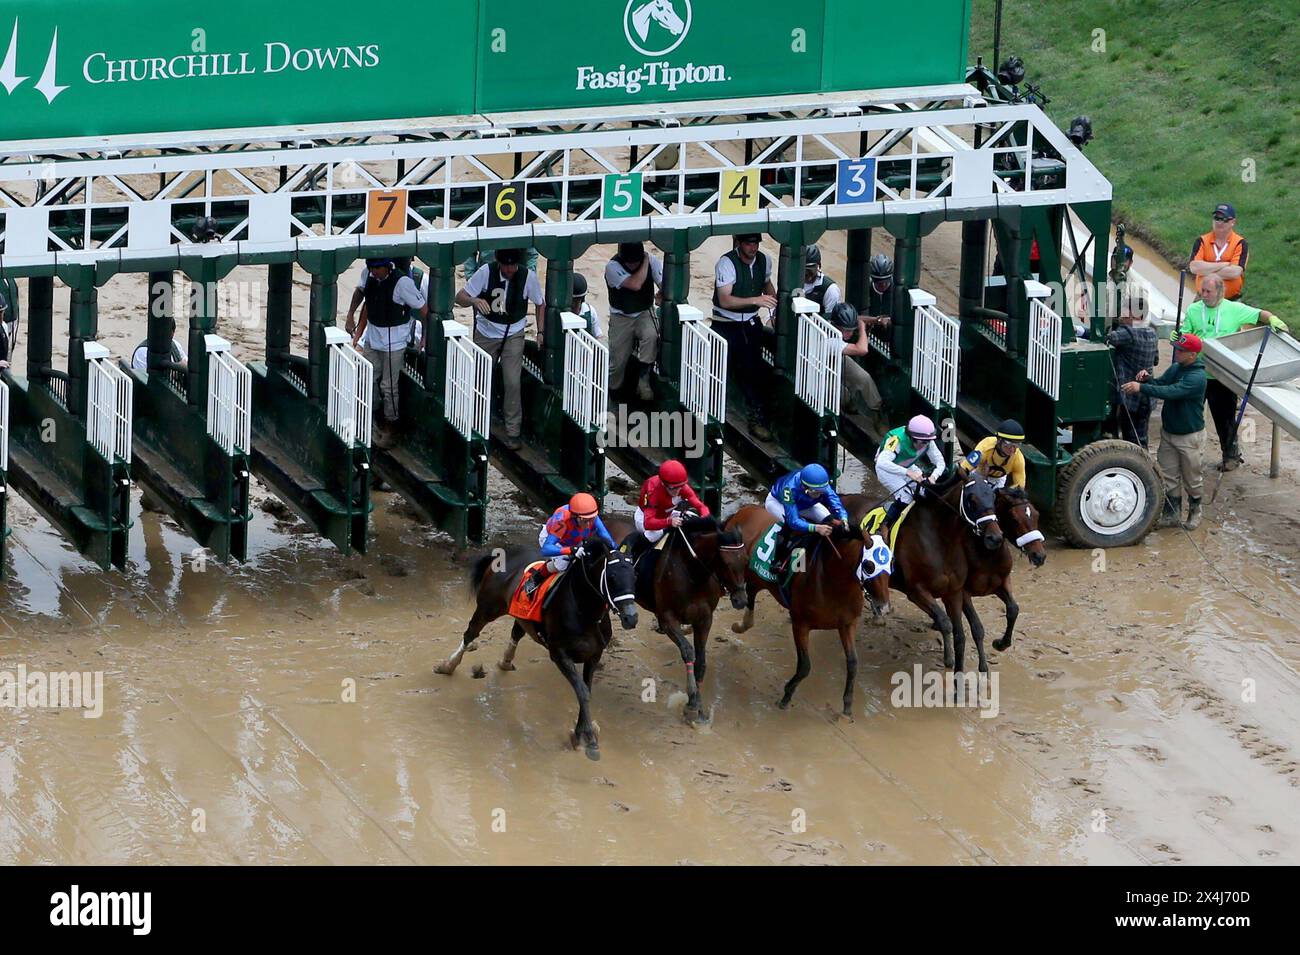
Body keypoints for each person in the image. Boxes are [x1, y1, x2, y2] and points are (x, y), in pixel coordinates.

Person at [1181, 273, 1286, 470]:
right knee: (1188, 416)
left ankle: (1230, 456)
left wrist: (1272, 319)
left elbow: (1259, 314)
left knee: (1225, 419)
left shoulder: (1235, 309)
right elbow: (1185, 335)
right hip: (1197, 373)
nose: (1203, 295)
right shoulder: (1194, 310)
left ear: (1220, 292)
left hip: (1223, 376)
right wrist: (1178, 338)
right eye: (1201, 290)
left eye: (1208, 291)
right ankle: (1187, 456)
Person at [456, 248, 545, 451]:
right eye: (506, 265)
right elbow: (459, 297)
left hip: (513, 332)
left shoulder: (527, 276)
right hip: (487, 333)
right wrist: (475, 300)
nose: (510, 269)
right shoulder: (485, 272)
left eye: (513, 265)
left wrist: (540, 331)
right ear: (499, 263)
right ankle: (476, 424)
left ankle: (513, 431)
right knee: (480, 378)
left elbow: (541, 303)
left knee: (512, 381)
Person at [1122, 332, 1208, 530]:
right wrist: (1147, 379)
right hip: (1169, 432)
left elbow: (1172, 392)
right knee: (1168, 475)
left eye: (1181, 350)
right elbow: (1161, 384)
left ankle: (1195, 511)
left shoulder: (1197, 378)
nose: (1176, 352)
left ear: (1193, 355)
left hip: (1189, 436)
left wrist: (1141, 388)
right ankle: (1172, 513)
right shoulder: (1177, 368)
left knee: (1192, 477)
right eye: (1176, 348)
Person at [713, 234, 778, 440]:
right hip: (725, 324)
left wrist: (773, 300)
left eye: (756, 243)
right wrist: (756, 300)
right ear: (739, 244)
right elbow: (725, 300)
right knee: (719, 368)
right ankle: (714, 411)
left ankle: (755, 417)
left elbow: (767, 284)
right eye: (749, 243)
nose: (753, 247)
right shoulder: (726, 263)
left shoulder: (764, 260)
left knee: (754, 371)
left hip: (751, 323)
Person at [351, 258, 429, 430]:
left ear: (387, 266)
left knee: (388, 386)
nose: (373, 272)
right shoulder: (368, 275)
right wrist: (351, 318)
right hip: (372, 339)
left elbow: (424, 311)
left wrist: (424, 336)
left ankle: (390, 424)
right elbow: (364, 299)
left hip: (394, 344)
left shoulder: (403, 283)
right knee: (366, 379)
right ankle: (371, 416)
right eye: (371, 267)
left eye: (377, 268)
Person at [524, 492, 618, 594]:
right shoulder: (561, 521)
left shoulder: (590, 515)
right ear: (574, 516)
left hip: (575, 541)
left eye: (591, 519)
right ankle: (537, 576)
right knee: (562, 564)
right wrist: (570, 550)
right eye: (584, 520)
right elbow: (546, 549)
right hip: (554, 540)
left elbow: (605, 536)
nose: (589, 524)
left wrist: (616, 550)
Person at [604, 241, 662, 401]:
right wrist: (644, 261)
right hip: (620, 317)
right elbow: (635, 284)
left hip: (644, 311)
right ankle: (613, 394)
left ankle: (644, 381)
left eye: (634, 262)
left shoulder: (654, 261)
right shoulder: (612, 267)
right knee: (617, 360)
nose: (631, 266)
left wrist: (661, 295)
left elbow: (665, 284)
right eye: (628, 262)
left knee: (651, 336)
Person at [765, 463, 848, 572]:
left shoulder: (821, 486)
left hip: (806, 504)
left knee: (829, 519)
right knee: (793, 528)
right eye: (816, 492)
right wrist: (816, 528)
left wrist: (844, 519)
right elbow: (793, 521)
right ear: (804, 486)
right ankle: (778, 561)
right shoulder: (789, 488)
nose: (820, 495)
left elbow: (836, 503)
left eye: (822, 491)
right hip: (778, 503)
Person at [1105, 292, 1159, 446]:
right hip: (1147, 395)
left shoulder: (1129, 333)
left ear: (1137, 316)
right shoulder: (1152, 333)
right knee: (1141, 439)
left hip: (1130, 398)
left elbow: (1105, 338)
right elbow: (1155, 360)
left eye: (1126, 311)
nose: (1122, 315)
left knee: (1131, 440)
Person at [875, 414, 946, 528]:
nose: (925, 445)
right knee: (906, 496)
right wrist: (909, 473)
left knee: (926, 492)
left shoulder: (928, 441)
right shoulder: (897, 440)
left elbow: (940, 463)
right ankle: (884, 527)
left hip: (907, 465)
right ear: (911, 438)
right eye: (922, 442)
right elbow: (881, 462)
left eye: (927, 442)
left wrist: (933, 477)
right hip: (886, 469)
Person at [826, 302, 887, 419]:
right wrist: (862, 328)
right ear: (835, 325)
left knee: (864, 378)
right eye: (846, 330)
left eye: (852, 329)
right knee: (842, 395)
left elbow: (858, 319)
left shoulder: (836, 319)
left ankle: (878, 412)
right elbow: (862, 349)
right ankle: (849, 410)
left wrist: (876, 320)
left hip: (836, 358)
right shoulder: (830, 340)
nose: (850, 333)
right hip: (818, 366)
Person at [634, 459, 709, 545]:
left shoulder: (683, 488)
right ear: (663, 484)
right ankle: (641, 555)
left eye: (680, 487)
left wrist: (704, 519)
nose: (677, 491)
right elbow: (648, 523)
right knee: (655, 535)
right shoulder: (653, 491)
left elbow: (701, 507)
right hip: (644, 519)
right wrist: (669, 522)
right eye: (673, 488)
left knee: (692, 517)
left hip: (668, 514)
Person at [1189, 204, 1248, 301]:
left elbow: (1234, 272)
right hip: (1203, 298)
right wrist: (1224, 264)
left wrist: (1205, 271)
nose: (1219, 222)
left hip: (1230, 300)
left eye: (1224, 219)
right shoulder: (1202, 241)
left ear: (1232, 222)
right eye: (1217, 218)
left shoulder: (1240, 243)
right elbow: (1194, 267)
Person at [959, 419, 1027, 490]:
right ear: (999, 440)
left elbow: (1020, 486)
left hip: (998, 481)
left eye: (1016, 445)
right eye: (1009, 444)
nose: (1012, 450)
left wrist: (1006, 492)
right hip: (978, 474)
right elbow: (963, 468)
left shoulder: (1018, 458)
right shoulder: (985, 447)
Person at [796, 245, 842, 315]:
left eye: (811, 272)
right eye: (805, 273)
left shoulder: (830, 289)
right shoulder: (792, 282)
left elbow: (830, 318)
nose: (809, 277)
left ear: (819, 266)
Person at [571, 273, 603, 341]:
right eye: (572, 301)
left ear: (582, 299)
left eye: (577, 301)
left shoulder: (590, 311)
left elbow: (598, 335)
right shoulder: (561, 312)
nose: (573, 304)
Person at [866, 253, 894, 318]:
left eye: (886, 282)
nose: (883, 285)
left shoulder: (896, 290)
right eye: (879, 283)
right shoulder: (866, 288)